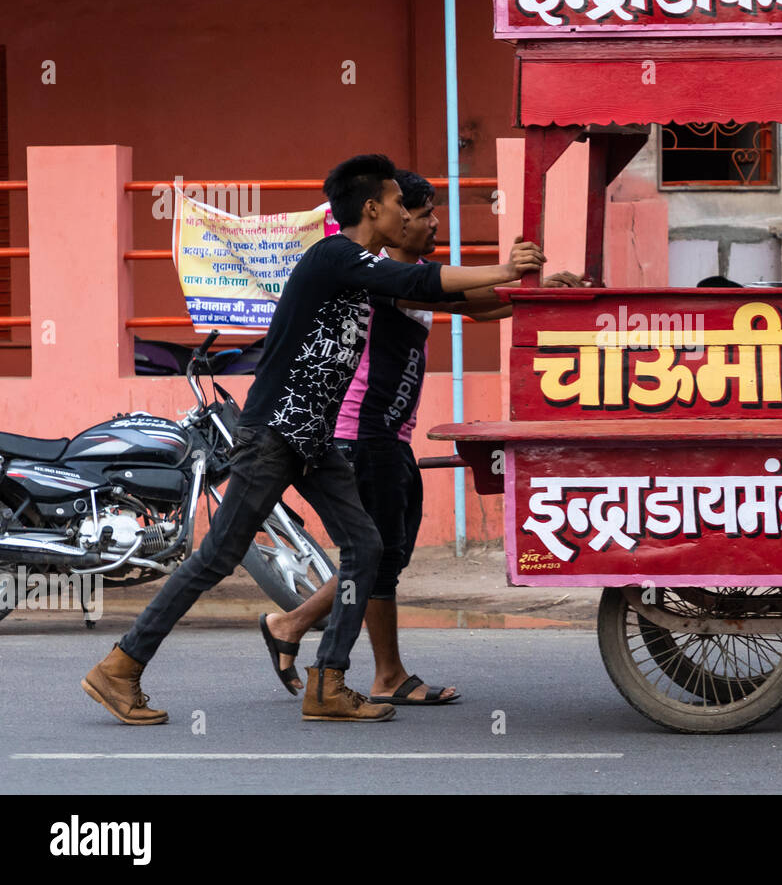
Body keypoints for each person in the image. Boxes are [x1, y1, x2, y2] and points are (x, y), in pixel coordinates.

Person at [82, 154, 547, 724]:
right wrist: (506, 268)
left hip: (313, 439)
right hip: (274, 433)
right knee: (217, 556)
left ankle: (327, 682)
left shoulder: (363, 268)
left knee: (368, 549)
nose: (407, 213)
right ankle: (121, 667)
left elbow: (439, 294)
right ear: (372, 207)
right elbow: (418, 279)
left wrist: (530, 291)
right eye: (399, 203)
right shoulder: (335, 257)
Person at [260, 170, 585, 703]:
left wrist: (545, 293)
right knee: (377, 555)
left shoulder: (410, 276)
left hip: (389, 435)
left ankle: (291, 625)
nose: (432, 222)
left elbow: (474, 305)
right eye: (422, 212)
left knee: (383, 552)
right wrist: (511, 270)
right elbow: (440, 288)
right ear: (396, 216)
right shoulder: (382, 277)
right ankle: (378, 672)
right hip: (362, 436)